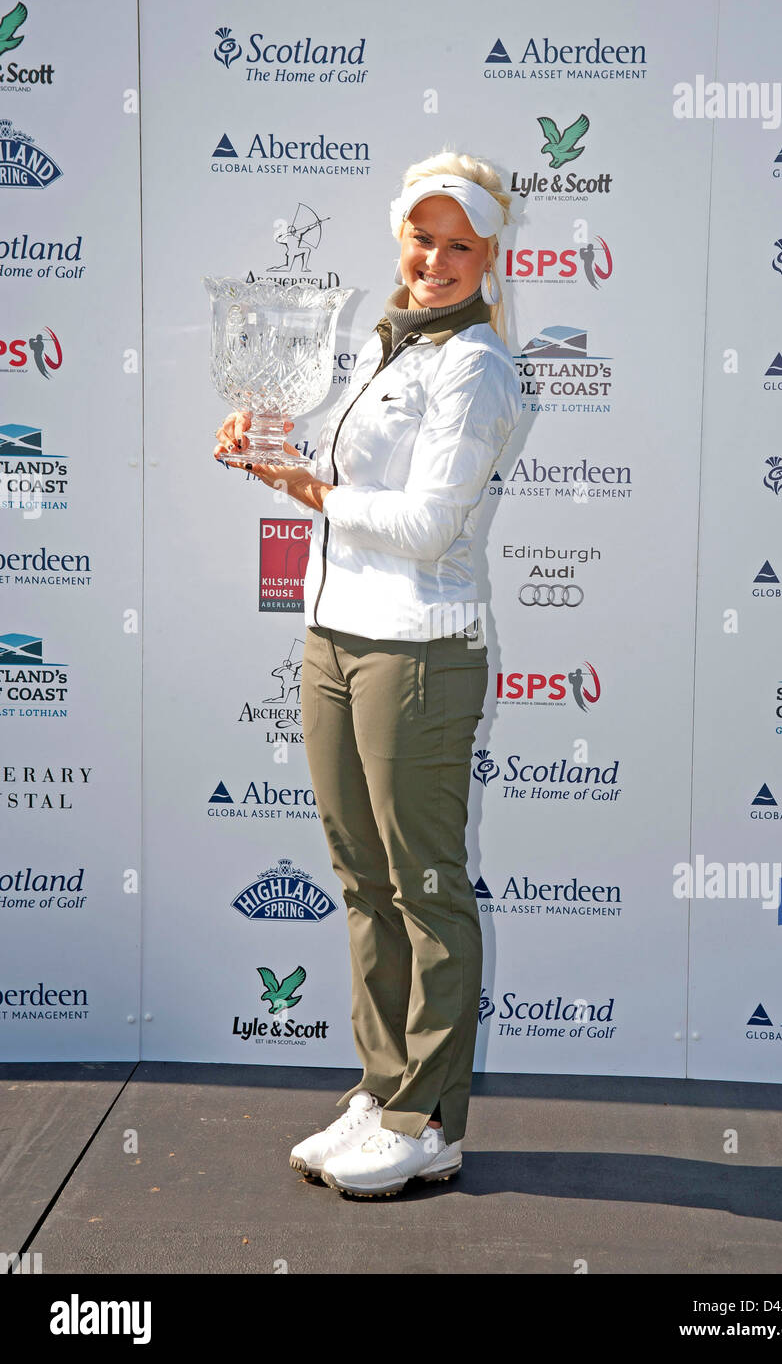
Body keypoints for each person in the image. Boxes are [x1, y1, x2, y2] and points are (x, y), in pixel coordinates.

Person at [213, 150, 521, 1199]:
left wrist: (315, 489)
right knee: (361, 880)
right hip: (335, 634)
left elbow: (431, 527)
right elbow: (354, 481)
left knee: (424, 886)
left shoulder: (474, 364)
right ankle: (384, 1086)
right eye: (421, 239)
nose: (435, 261)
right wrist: (270, 453)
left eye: (458, 246)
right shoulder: (390, 342)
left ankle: (427, 1120)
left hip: (419, 650)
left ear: (489, 256)